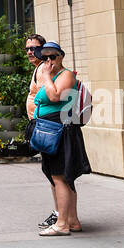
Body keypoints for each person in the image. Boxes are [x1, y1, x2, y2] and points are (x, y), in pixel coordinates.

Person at [31, 41, 90, 235]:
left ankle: (62, 224)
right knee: (63, 177)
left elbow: (55, 96)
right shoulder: (55, 76)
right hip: (51, 131)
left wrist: (46, 76)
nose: (48, 60)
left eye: (52, 56)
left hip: (60, 132)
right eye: (45, 57)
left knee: (60, 177)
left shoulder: (66, 75)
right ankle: (72, 221)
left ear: (61, 56)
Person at [24, 34, 54, 227]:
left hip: (45, 127)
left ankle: (60, 214)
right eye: (27, 49)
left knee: (55, 174)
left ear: (42, 50)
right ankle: (64, 215)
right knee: (52, 172)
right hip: (41, 125)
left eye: (33, 48)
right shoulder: (39, 68)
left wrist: (38, 121)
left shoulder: (43, 69)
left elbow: (47, 96)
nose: (29, 52)